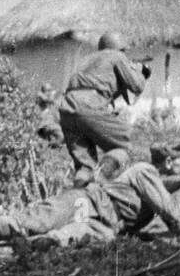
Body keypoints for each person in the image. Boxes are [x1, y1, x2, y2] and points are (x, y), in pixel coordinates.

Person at [0, 149, 180, 251]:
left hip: (106, 225)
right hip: (86, 202)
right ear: (168, 161)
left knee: (59, 240)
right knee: (29, 223)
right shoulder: (146, 171)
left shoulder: (156, 184)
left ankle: (30, 248)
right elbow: (170, 212)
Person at [58, 32, 149, 184]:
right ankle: (103, 179)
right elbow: (137, 86)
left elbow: (99, 86)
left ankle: (83, 194)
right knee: (127, 145)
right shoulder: (116, 56)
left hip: (68, 106)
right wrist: (141, 71)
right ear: (118, 48)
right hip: (90, 104)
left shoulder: (87, 60)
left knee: (85, 166)